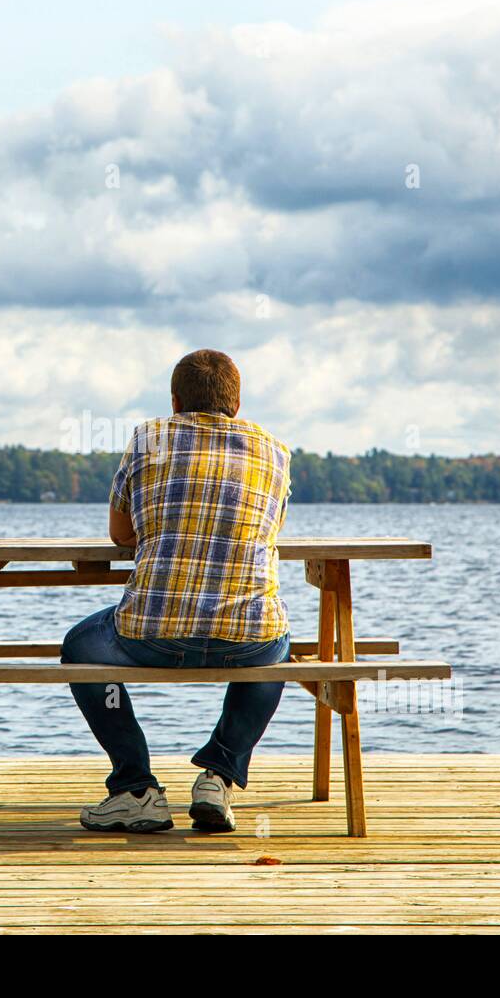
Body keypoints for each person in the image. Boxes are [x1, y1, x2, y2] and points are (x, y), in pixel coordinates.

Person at [63, 348, 292, 833]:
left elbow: (121, 535)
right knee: (277, 646)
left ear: (174, 401)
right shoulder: (275, 450)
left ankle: (136, 789)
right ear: (237, 402)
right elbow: (271, 531)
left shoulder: (148, 439)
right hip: (246, 641)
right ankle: (219, 776)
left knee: (79, 648)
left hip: (152, 634)